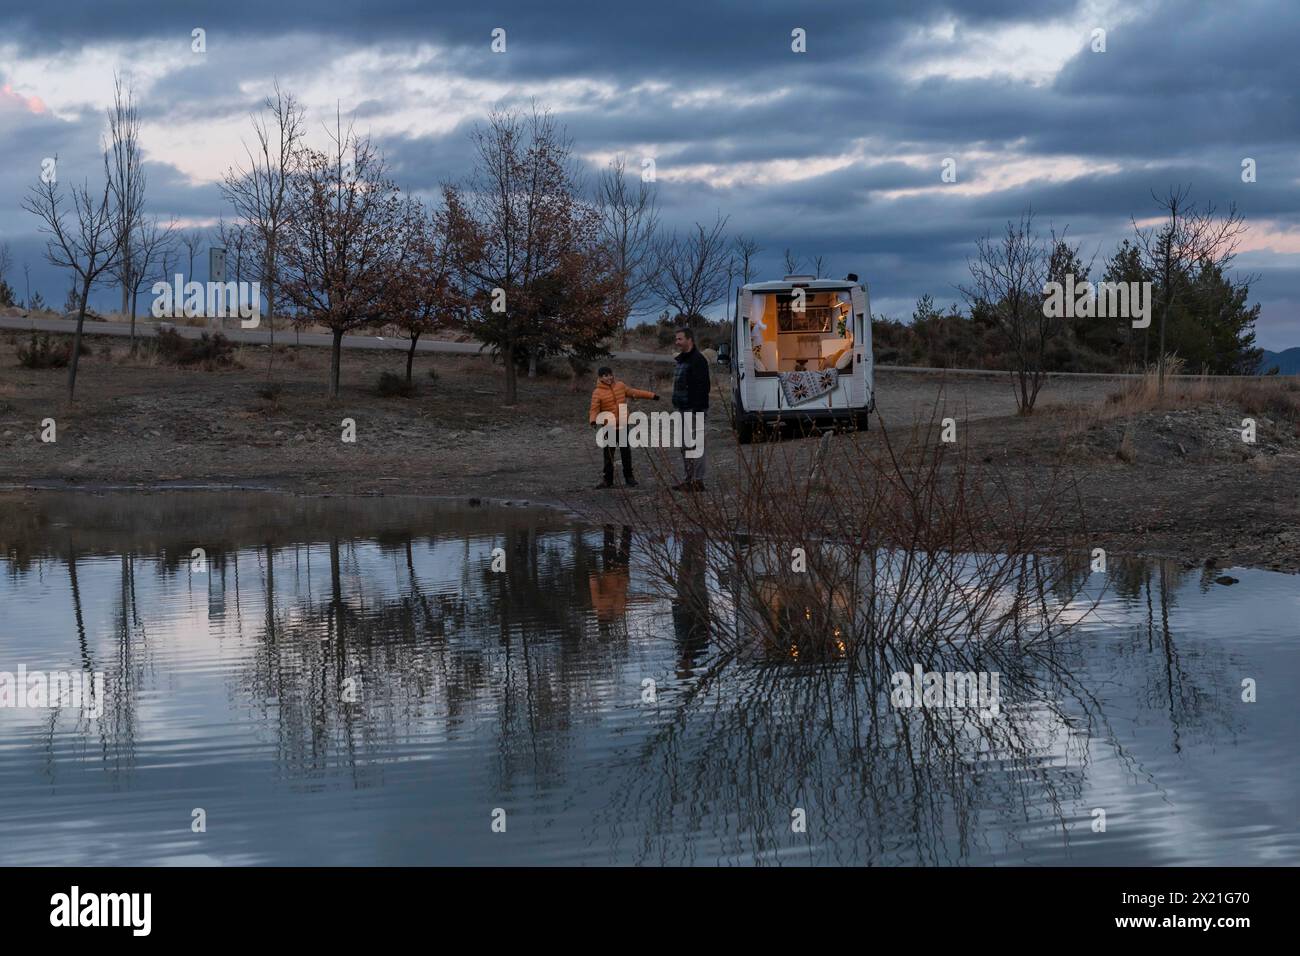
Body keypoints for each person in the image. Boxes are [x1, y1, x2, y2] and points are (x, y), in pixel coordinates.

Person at [588, 366, 658, 488]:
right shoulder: (597, 392)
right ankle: (608, 480)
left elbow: (634, 392)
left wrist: (652, 395)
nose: (608, 377)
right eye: (605, 375)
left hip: (623, 425)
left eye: (610, 374)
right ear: (600, 378)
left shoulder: (620, 385)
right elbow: (594, 409)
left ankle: (629, 478)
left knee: (626, 452)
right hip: (609, 427)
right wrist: (593, 420)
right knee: (609, 454)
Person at [671, 327, 710, 491]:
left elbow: (704, 386)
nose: (677, 342)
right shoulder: (682, 360)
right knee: (685, 446)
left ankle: (697, 481)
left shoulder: (698, 360)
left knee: (696, 445)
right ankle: (688, 480)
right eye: (676, 339)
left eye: (680, 339)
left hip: (694, 410)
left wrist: (698, 410)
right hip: (683, 409)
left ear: (689, 340)